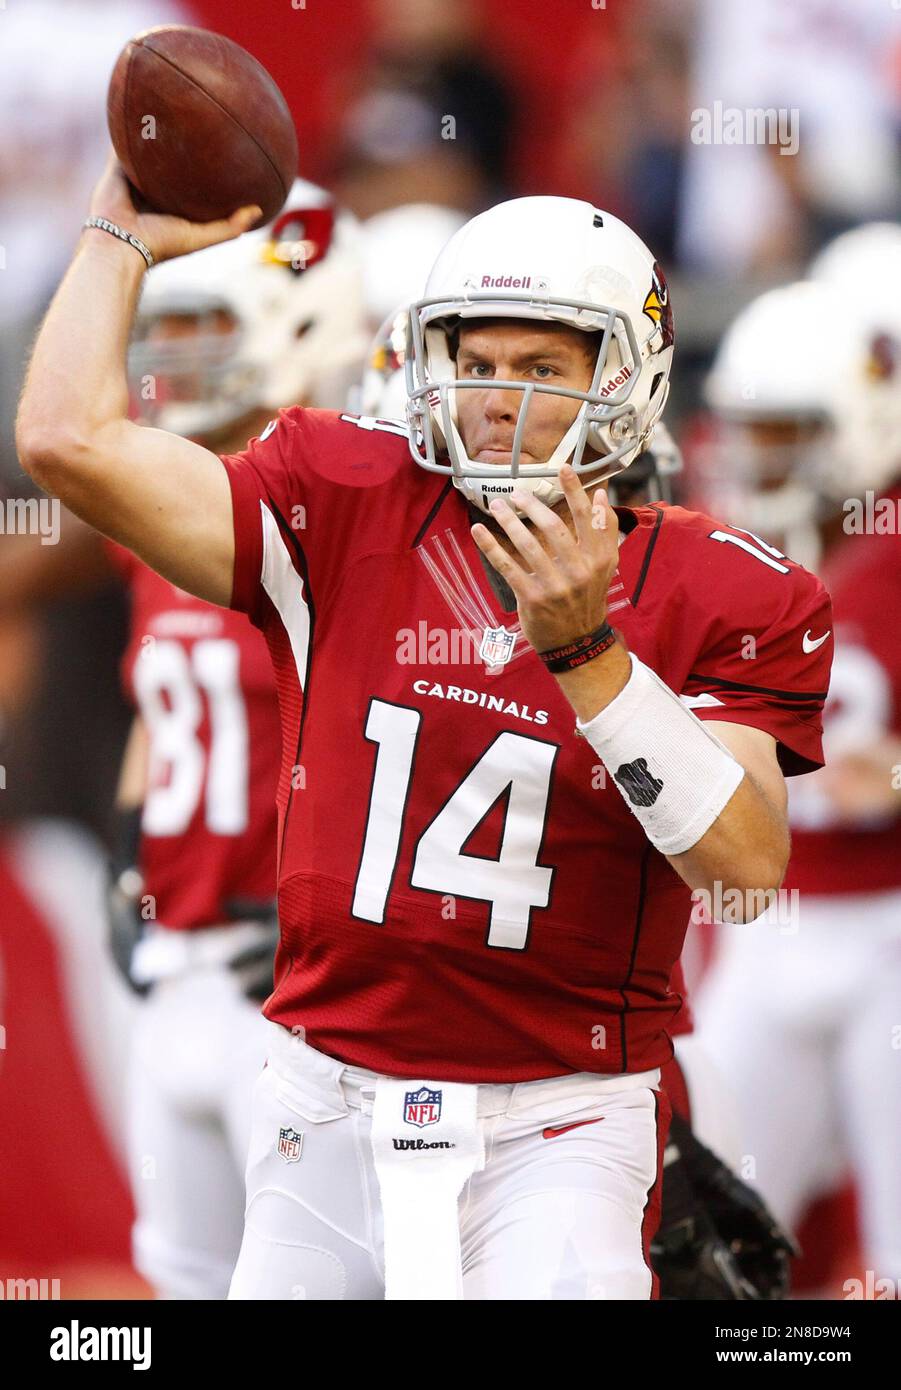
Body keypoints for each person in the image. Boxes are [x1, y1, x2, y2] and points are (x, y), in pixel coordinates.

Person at [17, 158, 832, 1300]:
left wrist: (588, 656)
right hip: (323, 1095)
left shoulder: (722, 586)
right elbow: (66, 443)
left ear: (626, 376)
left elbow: (744, 861)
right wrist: (114, 234)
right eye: (477, 361)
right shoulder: (342, 498)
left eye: (541, 366)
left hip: (561, 1119)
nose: (497, 395)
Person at [9, 179, 367, 1300]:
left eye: (205, 331)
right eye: (164, 337)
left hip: (300, 986)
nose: (177, 369)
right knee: (180, 1283)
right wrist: (129, 856)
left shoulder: (353, 515)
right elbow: (162, 715)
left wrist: (344, 909)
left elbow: (404, 734)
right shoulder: (163, 509)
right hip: (182, 968)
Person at [695, 250, 901, 1289]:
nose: (764, 461)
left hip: (888, 927)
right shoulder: (718, 555)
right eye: (752, 433)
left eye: (790, 435)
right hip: (766, 929)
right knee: (713, 1235)